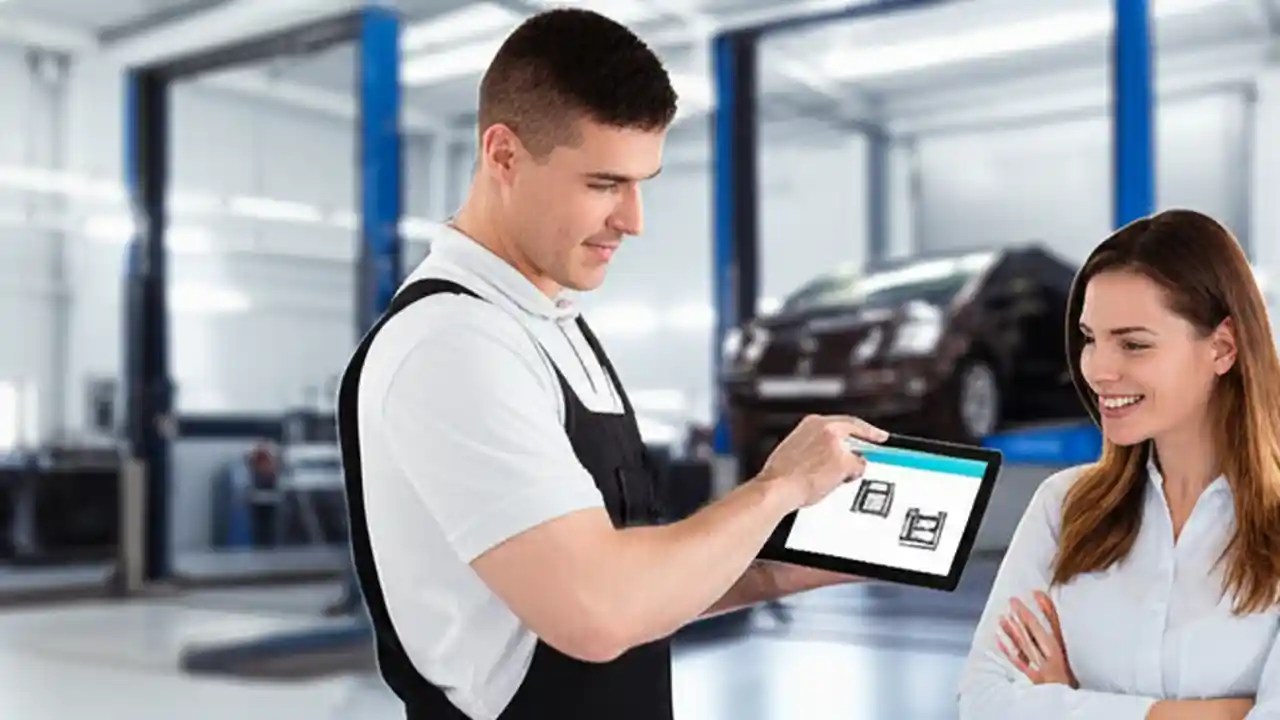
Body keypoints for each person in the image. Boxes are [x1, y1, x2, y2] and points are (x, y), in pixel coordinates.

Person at [335, 9, 885, 720]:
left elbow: (628, 578)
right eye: (604, 183)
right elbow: (596, 610)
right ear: (503, 156)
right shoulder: (451, 344)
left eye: (641, 182)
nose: (634, 219)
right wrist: (778, 487)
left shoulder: (550, 326)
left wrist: (775, 569)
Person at [957, 209, 1280, 719]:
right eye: (1090, 338)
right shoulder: (1062, 508)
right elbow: (984, 704)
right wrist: (1221, 712)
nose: (1097, 370)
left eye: (1133, 344)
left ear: (1222, 347)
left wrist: (1067, 701)